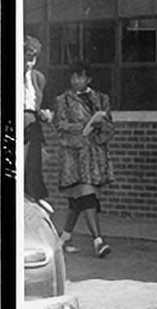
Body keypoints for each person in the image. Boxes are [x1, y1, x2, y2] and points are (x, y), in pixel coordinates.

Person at [53, 59, 115, 258]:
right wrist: (83, 128)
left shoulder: (102, 99)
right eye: (72, 76)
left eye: (79, 76)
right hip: (74, 156)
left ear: (88, 78)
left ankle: (64, 238)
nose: (75, 80)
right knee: (87, 195)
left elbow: (109, 127)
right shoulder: (63, 100)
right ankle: (98, 241)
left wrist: (99, 128)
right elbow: (60, 125)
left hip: (94, 156)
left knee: (78, 199)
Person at [23, 36, 53, 212]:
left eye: (32, 59)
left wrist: (46, 114)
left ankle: (35, 197)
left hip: (32, 124)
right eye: (25, 58)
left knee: (34, 162)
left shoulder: (38, 78)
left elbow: (44, 104)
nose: (29, 63)